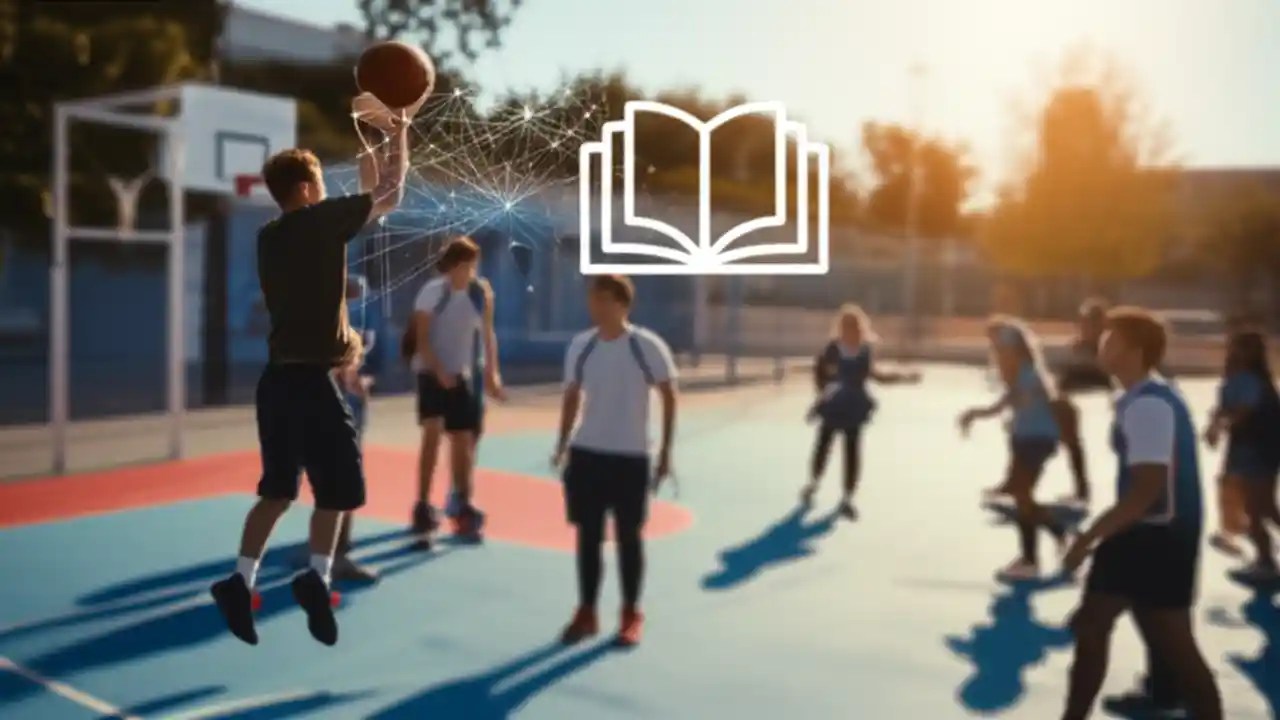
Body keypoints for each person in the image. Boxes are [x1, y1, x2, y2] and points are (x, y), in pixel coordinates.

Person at [209, 112, 411, 646]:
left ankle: (240, 580)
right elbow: (389, 193)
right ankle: (317, 578)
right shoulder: (319, 222)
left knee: (277, 492)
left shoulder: (269, 236)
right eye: (321, 182)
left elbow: (312, 279)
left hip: (275, 382)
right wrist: (398, 130)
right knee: (339, 489)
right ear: (304, 188)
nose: (326, 191)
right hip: (311, 385)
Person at [1060, 307, 1222, 720]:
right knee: (1093, 625)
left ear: (1133, 351)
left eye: (1110, 340)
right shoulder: (1143, 396)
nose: (1101, 345)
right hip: (1143, 534)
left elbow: (1147, 491)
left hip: (1156, 538)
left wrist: (1086, 537)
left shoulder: (1148, 406)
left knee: (1175, 646)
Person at [553, 275, 677, 648]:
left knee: (628, 538)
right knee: (588, 537)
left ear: (623, 304)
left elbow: (670, 395)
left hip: (631, 457)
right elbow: (572, 395)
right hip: (587, 454)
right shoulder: (581, 346)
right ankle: (587, 610)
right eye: (593, 299)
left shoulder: (646, 346)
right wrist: (562, 443)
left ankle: (630, 613)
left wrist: (666, 451)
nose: (596, 307)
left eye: (604, 300)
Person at [406, 237, 504, 547]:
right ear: (451, 265)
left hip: (460, 374)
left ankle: (461, 502)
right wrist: (439, 372)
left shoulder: (481, 293)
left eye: (473, 264)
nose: (469, 270)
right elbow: (422, 340)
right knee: (432, 434)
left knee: (463, 439)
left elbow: (487, 335)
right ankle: (422, 504)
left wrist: (492, 373)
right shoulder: (433, 292)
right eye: (464, 264)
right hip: (430, 371)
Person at [960, 317, 1071, 582]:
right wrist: (978, 413)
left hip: (1038, 439)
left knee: (1022, 495)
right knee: (1023, 497)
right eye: (996, 351)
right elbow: (1008, 403)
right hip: (1025, 439)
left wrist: (989, 413)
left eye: (1001, 350)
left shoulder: (1028, 375)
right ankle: (1056, 530)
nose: (997, 356)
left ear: (1016, 351)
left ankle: (1030, 560)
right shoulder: (1017, 375)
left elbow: (1023, 400)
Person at [802, 304, 919, 518]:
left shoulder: (865, 350)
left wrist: (903, 377)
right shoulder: (833, 349)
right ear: (841, 328)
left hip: (855, 406)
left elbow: (875, 375)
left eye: (854, 327)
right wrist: (818, 402)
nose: (851, 331)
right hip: (833, 405)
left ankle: (847, 496)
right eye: (847, 327)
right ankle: (813, 483)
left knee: (852, 451)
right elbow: (826, 379)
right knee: (823, 445)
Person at [1205, 329, 1280, 578]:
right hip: (1249, 449)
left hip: (1255, 450)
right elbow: (1225, 407)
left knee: (1256, 508)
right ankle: (1259, 553)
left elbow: (1242, 411)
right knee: (1264, 507)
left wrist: (1219, 426)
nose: (1236, 352)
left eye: (1243, 347)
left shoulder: (1249, 379)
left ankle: (1265, 562)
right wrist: (1215, 424)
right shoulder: (1239, 377)